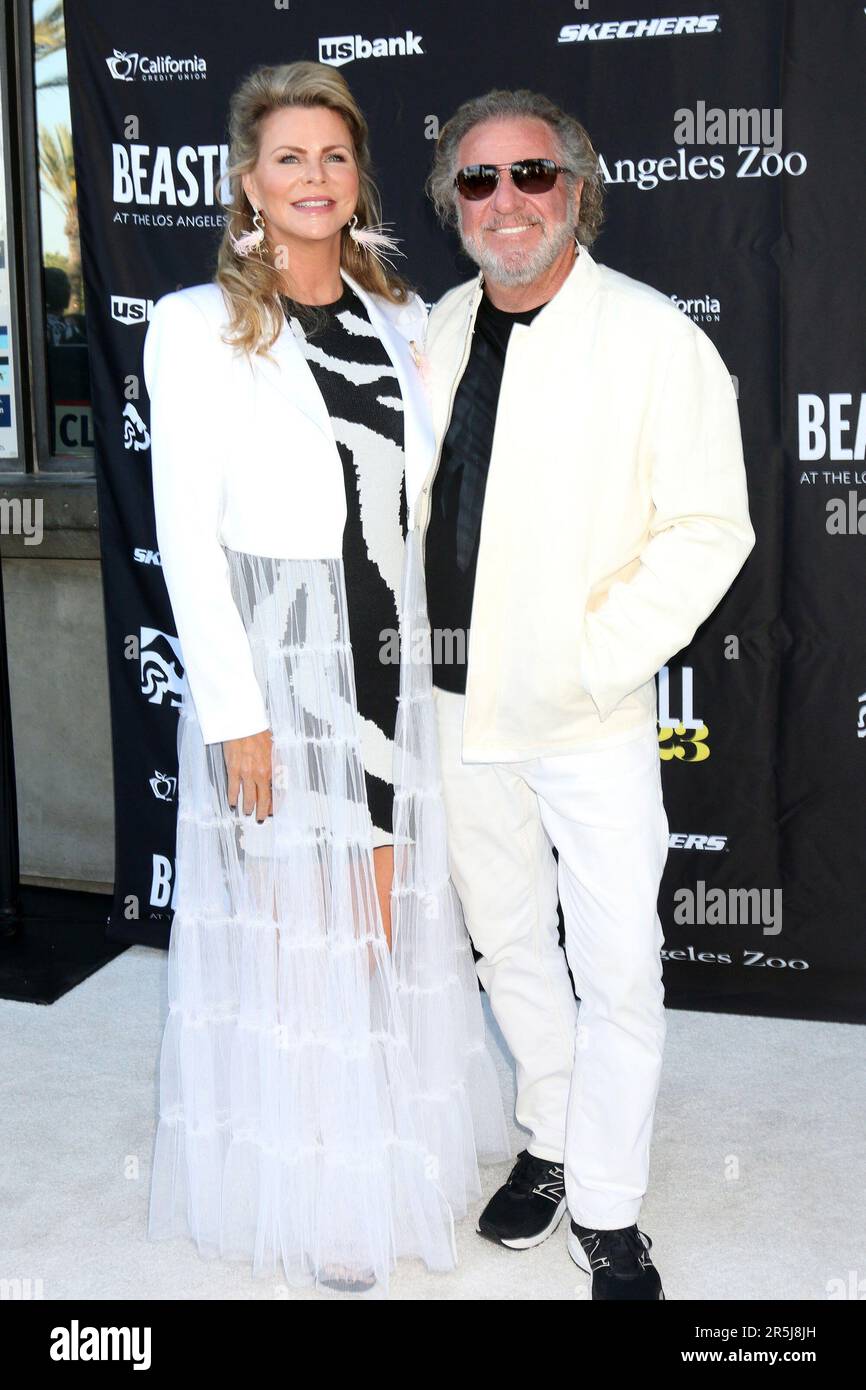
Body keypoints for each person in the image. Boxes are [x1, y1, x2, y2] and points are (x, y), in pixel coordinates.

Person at [142, 61, 508, 1299]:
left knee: (378, 925)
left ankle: (377, 1152)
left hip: (389, 650)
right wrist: (235, 712)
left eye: (334, 157)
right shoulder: (195, 325)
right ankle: (315, 1184)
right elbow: (185, 533)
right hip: (283, 652)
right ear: (247, 183)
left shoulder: (398, 313)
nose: (313, 178)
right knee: (305, 932)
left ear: (359, 179)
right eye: (288, 158)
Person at [421, 89, 756, 1300]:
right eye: (477, 182)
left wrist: (588, 655)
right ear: (452, 202)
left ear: (576, 187)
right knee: (507, 939)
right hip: (451, 702)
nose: (504, 201)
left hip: (584, 711)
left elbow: (709, 527)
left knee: (616, 964)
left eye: (530, 176)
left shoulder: (652, 336)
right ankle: (552, 1137)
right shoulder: (439, 327)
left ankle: (608, 1208)